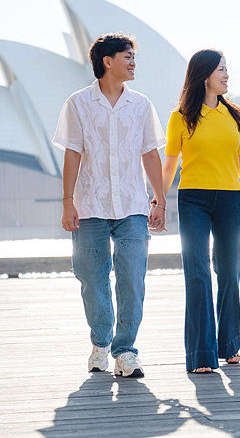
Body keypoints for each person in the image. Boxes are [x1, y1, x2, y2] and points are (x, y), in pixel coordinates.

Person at [52, 33, 167, 378]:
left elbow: (150, 153)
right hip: (89, 205)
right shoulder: (78, 103)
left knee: (133, 277)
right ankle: (100, 344)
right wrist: (67, 202)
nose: (133, 62)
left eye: (134, 56)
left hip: (132, 204)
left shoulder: (141, 105)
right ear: (107, 61)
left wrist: (160, 199)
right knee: (92, 278)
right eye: (127, 56)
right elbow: (73, 153)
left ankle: (126, 350)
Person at [161, 49, 240, 374]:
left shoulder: (234, 115)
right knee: (197, 272)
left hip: (228, 200)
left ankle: (229, 345)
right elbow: (168, 166)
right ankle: (201, 354)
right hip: (192, 198)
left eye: (226, 69)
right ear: (204, 74)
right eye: (221, 69)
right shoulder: (180, 117)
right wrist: (156, 199)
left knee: (230, 271)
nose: (226, 75)